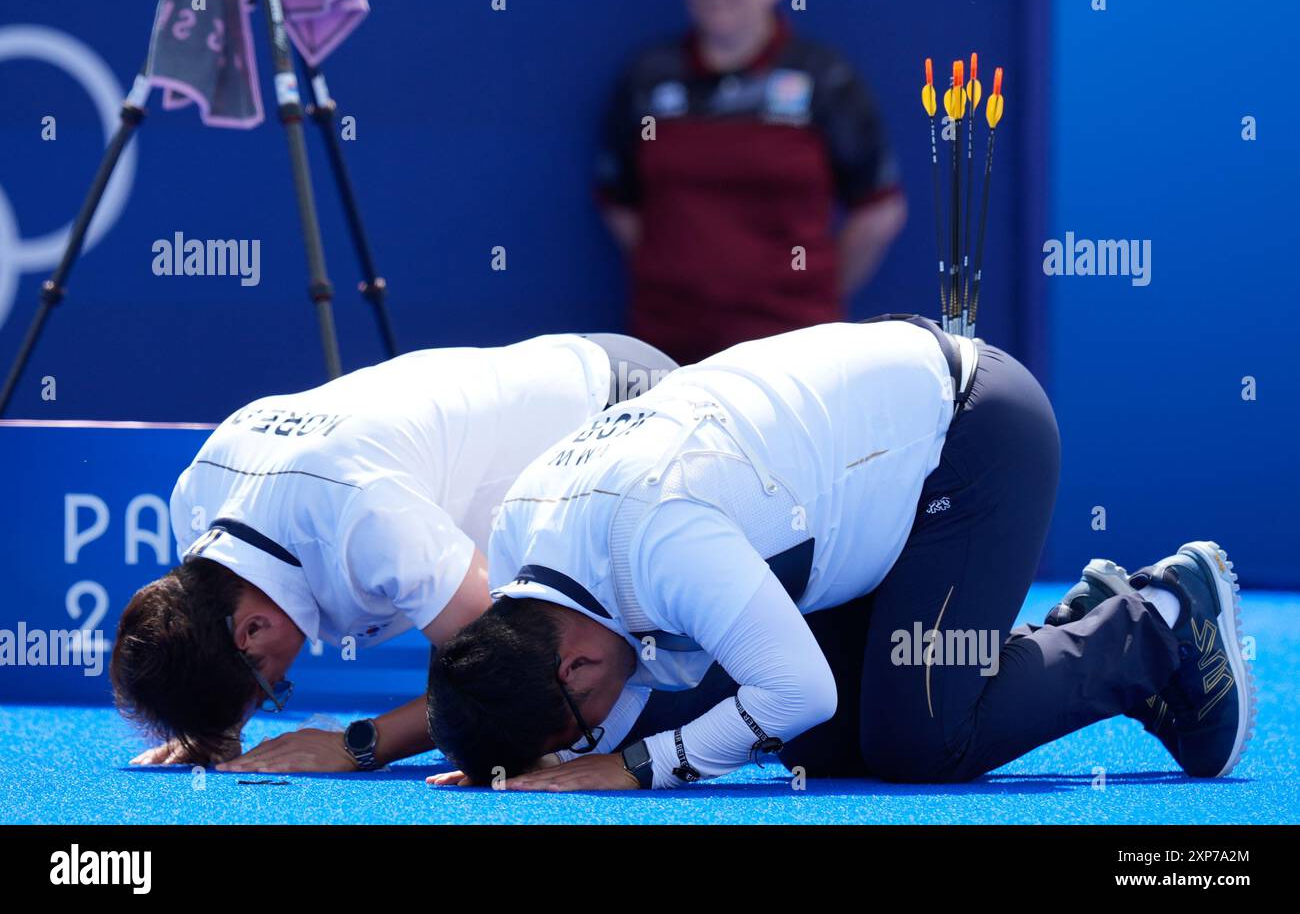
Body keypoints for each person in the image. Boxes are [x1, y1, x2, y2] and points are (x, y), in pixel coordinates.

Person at [426, 316, 1255, 790]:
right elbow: (766, 711)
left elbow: (797, 689)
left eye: (576, 728)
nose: (588, 739)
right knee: (806, 742)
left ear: (571, 669)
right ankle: (1043, 645)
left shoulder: (659, 537)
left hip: (971, 438)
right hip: (861, 472)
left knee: (921, 744)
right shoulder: (517, 538)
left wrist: (636, 768)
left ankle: (1154, 627)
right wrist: (510, 748)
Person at [110, 333, 677, 772]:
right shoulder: (198, 499)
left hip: (631, 405)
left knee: (577, 712)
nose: (272, 693)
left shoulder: (366, 519)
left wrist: (361, 745)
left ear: (252, 632)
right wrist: (209, 724)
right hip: (566, 368)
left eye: (268, 693)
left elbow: (517, 674)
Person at [596, 0, 907, 365]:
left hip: (794, 352)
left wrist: (808, 290)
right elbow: (617, 199)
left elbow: (879, 209)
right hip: (667, 354)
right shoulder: (648, 80)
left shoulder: (825, 80)